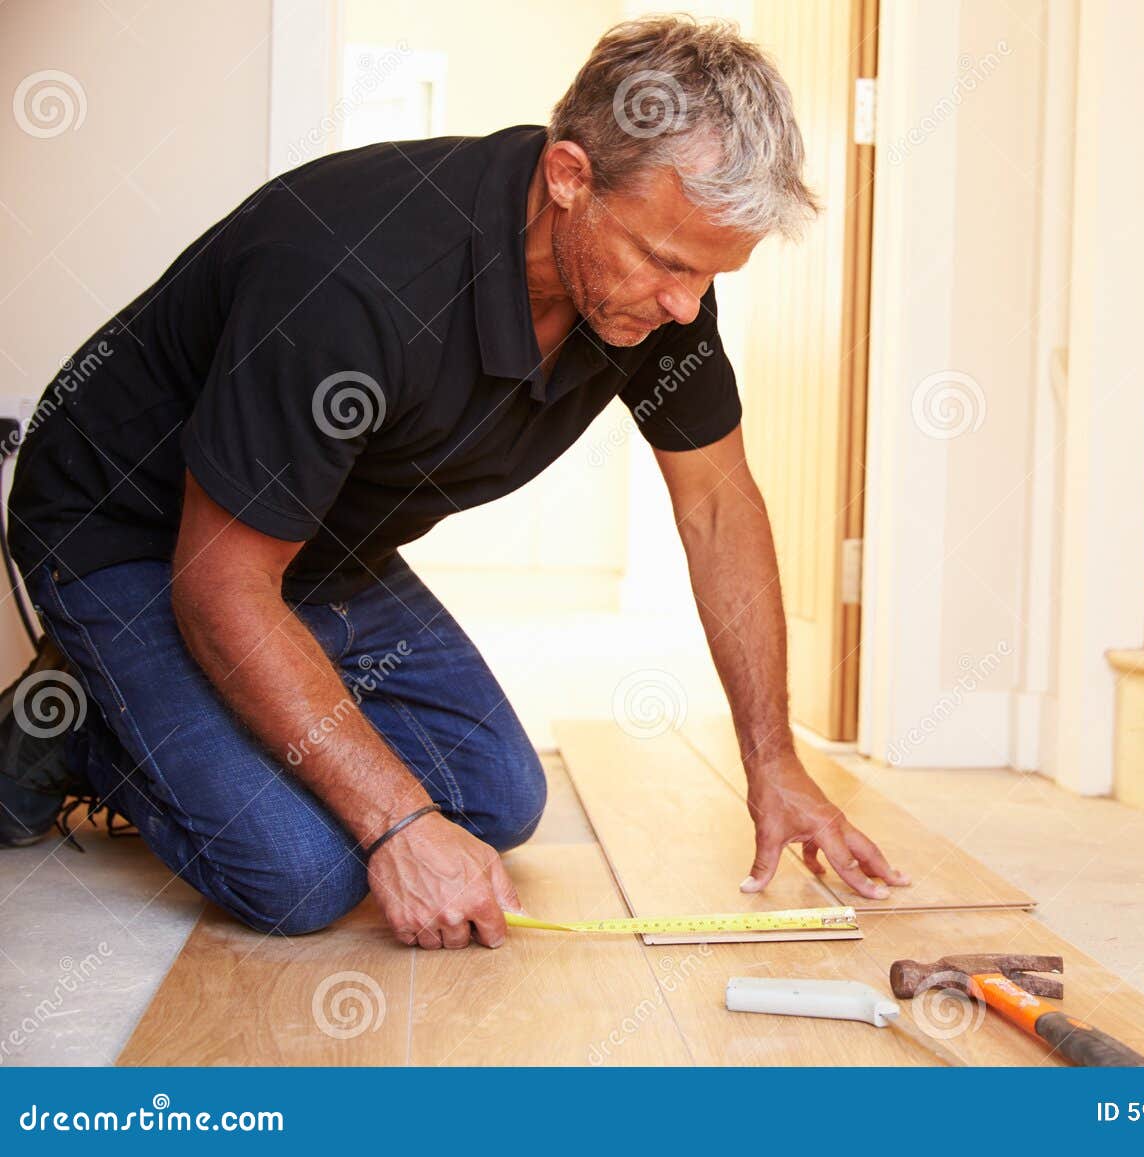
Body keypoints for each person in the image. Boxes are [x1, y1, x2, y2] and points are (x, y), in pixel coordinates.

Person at [0, 15, 906, 950]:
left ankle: (222, 693)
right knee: (301, 874)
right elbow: (219, 582)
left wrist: (775, 761)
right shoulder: (351, 279)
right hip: (137, 537)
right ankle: (85, 717)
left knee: (497, 796)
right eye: (668, 264)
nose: (687, 306)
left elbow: (718, 505)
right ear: (569, 178)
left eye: (708, 275)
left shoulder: (653, 287)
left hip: (318, 539)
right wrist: (393, 822)